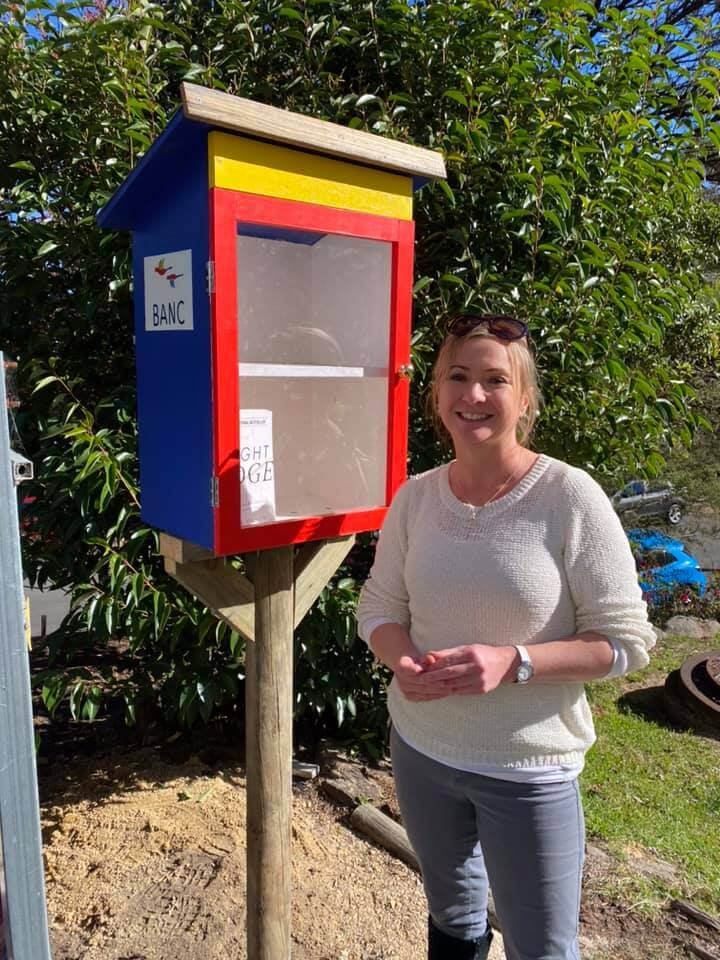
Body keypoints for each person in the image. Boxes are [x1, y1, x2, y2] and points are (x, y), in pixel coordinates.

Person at [356, 314, 655, 960]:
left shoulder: (569, 498)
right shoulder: (414, 499)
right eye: (458, 378)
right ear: (435, 395)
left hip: (529, 773)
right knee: (453, 917)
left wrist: (513, 662)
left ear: (525, 400)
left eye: (495, 380)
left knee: (542, 948)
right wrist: (402, 659)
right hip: (421, 752)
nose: (474, 396)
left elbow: (627, 641)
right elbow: (378, 609)